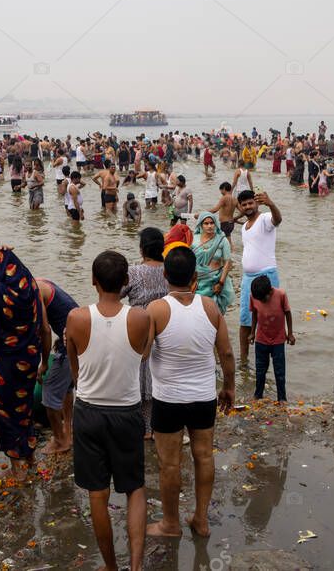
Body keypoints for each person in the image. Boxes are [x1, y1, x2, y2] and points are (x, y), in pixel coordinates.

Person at [65, 250, 152, 571]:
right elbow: (143, 356)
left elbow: (75, 369)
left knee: (97, 495)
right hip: (127, 412)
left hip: (88, 412)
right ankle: (137, 565)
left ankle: (111, 566)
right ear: (126, 281)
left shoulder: (76, 318)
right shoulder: (141, 318)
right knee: (135, 489)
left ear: (93, 281)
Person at [145, 246, 235, 538]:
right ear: (195, 276)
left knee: (170, 464)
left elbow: (143, 354)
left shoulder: (156, 309)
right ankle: (201, 519)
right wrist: (229, 387)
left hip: (168, 400)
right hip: (203, 397)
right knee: (204, 457)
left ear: (165, 275)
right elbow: (227, 354)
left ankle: (170, 524)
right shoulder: (210, 306)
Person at [0, 247, 43, 481]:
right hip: (29, 358)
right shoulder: (31, 286)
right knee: (24, 406)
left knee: (3, 409)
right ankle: (30, 458)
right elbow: (44, 326)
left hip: (5, 362)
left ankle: (17, 466)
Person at [121, 228, 169, 439]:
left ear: (142, 249)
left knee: (142, 378)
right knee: (160, 375)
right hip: (166, 324)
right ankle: (159, 424)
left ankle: (146, 428)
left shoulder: (135, 271)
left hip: (140, 326)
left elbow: (119, 292)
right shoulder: (169, 269)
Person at [236, 190, 282, 365]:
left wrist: (270, 203)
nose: (248, 206)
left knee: (270, 320)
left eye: (250, 203)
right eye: (244, 204)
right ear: (240, 206)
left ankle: (273, 360)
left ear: (256, 204)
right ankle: (244, 361)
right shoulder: (244, 227)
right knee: (245, 320)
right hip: (248, 279)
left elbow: (278, 220)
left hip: (267, 276)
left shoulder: (265, 219)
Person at [37, 278, 78, 455]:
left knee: (49, 392)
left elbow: (43, 330)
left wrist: (44, 363)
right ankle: (68, 432)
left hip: (69, 344)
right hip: (76, 338)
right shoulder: (39, 282)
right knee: (66, 389)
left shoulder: (34, 291)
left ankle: (60, 441)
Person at [248, 274, 293, 402]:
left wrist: (290, 333)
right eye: (259, 299)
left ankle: (282, 399)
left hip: (278, 340)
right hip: (261, 339)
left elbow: (288, 314)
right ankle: (258, 396)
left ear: (270, 291)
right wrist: (252, 333)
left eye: (263, 299)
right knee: (260, 371)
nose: (261, 301)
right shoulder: (254, 296)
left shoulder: (281, 295)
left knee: (280, 373)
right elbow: (255, 315)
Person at [192, 212, 233, 314]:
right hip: (197, 282)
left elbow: (227, 263)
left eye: (212, 223)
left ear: (216, 224)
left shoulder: (222, 240)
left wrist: (221, 283)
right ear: (201, 225)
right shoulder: (193, 240)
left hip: (214, 282)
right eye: (206, 223)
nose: (209, 226)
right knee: (196, 311)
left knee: (214, 312)